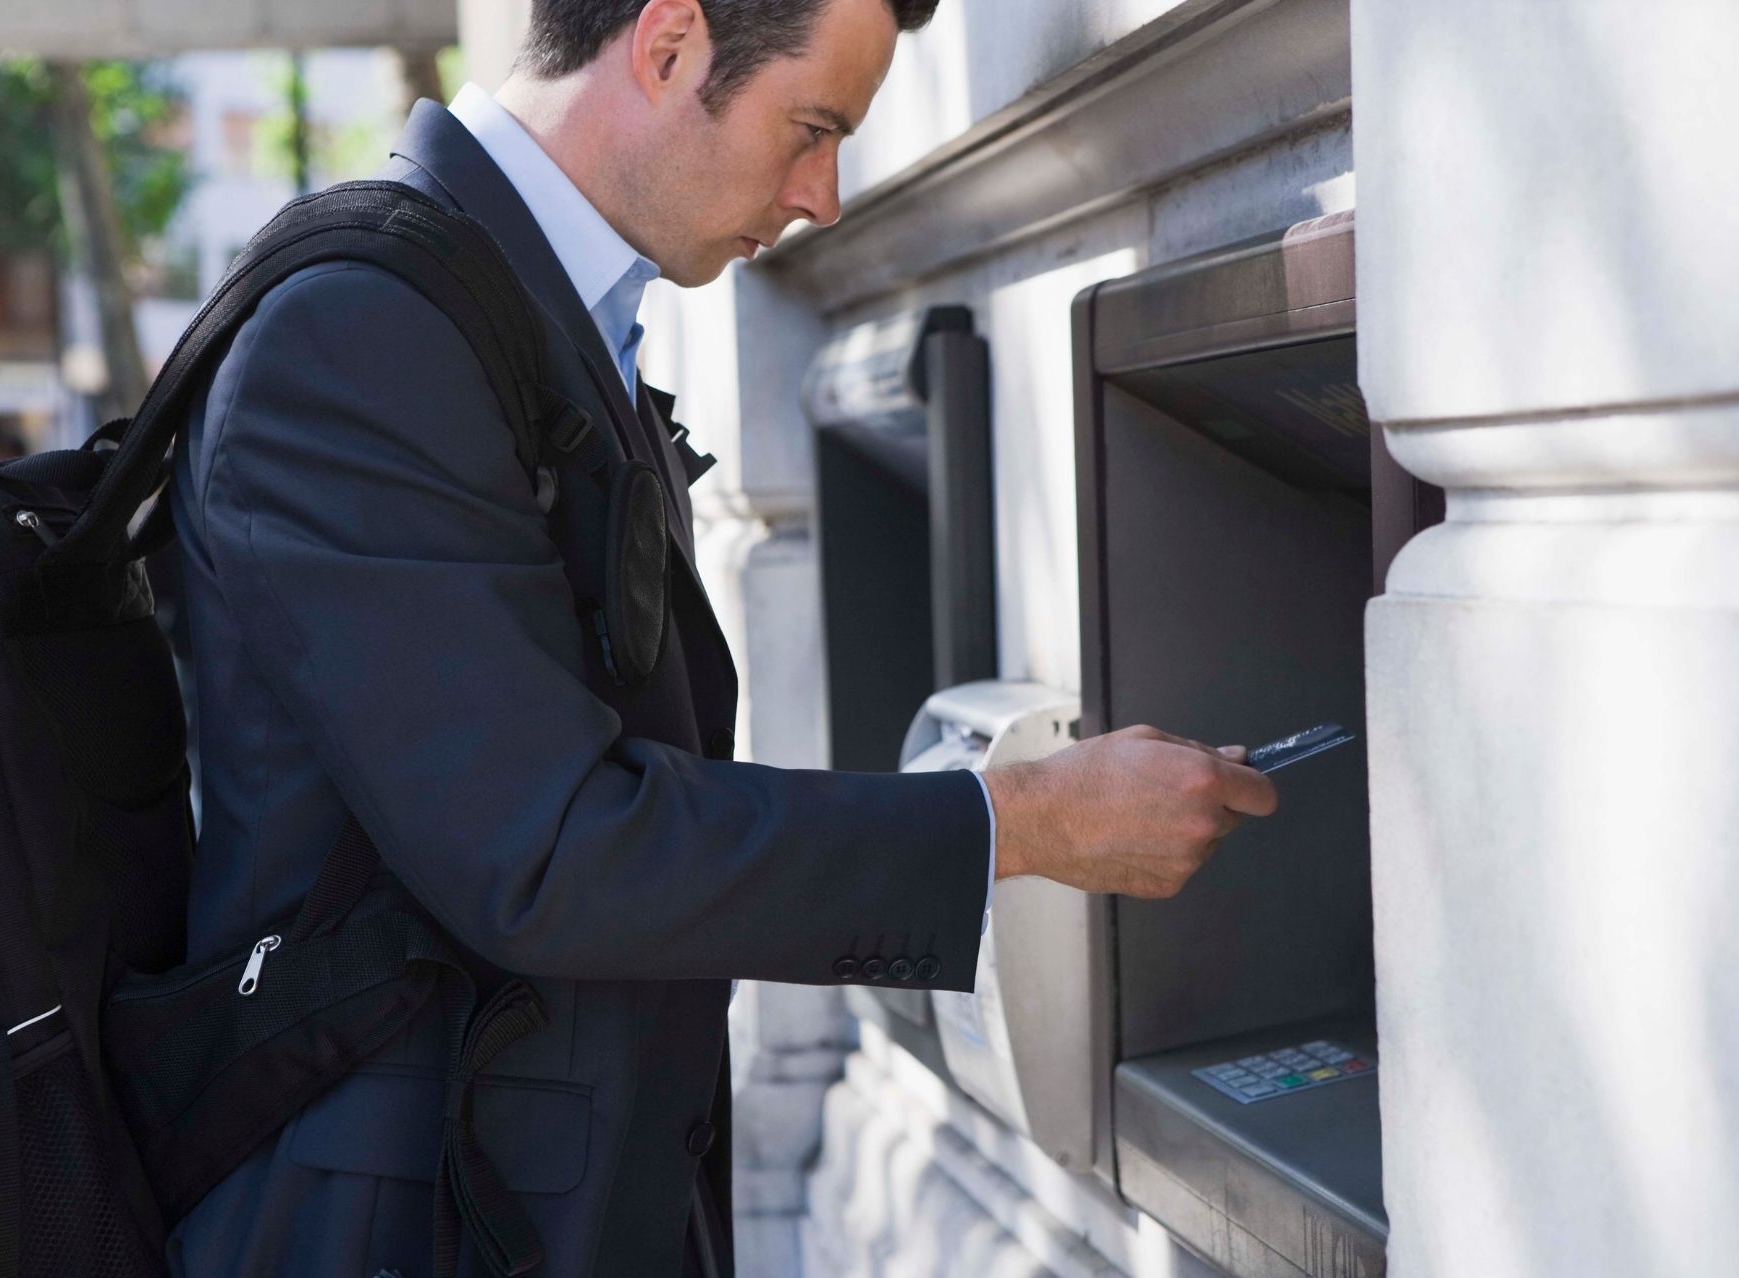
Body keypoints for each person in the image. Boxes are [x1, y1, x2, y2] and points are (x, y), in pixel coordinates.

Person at [165, 1, 1279, 1274]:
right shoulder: (358, 334)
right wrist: (1017, 822)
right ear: (671, 41)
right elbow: (550, 853)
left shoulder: (519, 306)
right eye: (811, 129)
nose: (828, 197)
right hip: (397, 1228)